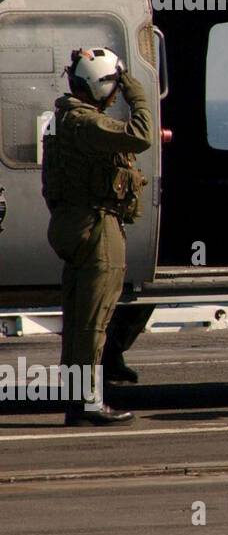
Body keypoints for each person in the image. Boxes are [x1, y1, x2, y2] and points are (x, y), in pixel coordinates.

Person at [41, 48, 152, 426]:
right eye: (114, 84)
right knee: (94, 319)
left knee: (77, 318)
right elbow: (141, 136)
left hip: (72, 223)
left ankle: (76, 399)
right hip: (96, 225)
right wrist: (138, 95)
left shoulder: (61, 121)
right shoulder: (86, 124)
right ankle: (88, 402)